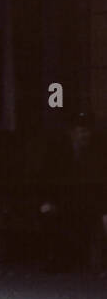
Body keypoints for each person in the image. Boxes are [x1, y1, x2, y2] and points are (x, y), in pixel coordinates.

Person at [38, 112, 107, 273]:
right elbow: (46, 179)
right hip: (61, 200)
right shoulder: (58, 152)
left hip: (88, 201)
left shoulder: (95, 153)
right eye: (81, 131)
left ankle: (88, 261)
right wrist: (48, 201)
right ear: (72, 133)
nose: (86, 135)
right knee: (49, 214)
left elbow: (99, 184)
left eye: (87, 131)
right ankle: (57, 260)